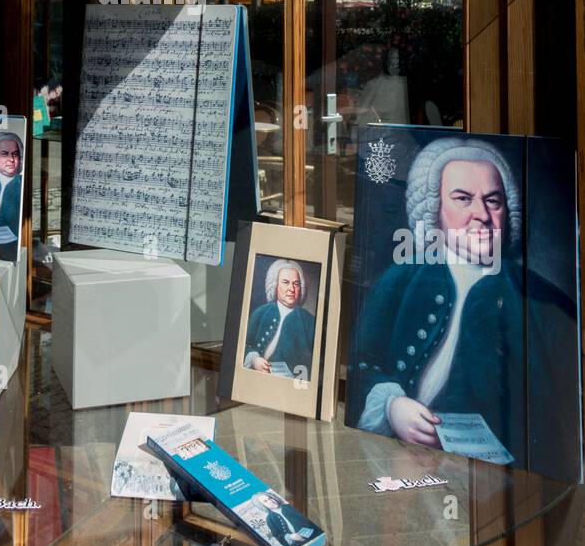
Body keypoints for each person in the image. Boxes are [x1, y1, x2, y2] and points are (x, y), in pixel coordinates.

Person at [350, 135, 573, 468]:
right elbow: (361, 365)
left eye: (493, 201)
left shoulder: (544, 301)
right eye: (463, 199)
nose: (481, 214)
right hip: (398, 461)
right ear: (434, 208)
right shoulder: (401, 280)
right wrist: (392, 406)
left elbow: (554, 425)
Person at [243, 259, 315, 379]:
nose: (291, 289)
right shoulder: (260, 313)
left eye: (296, 284)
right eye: (286, 282)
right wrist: (254, 359)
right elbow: (243, 345)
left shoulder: (310, 322)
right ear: (275, 285)